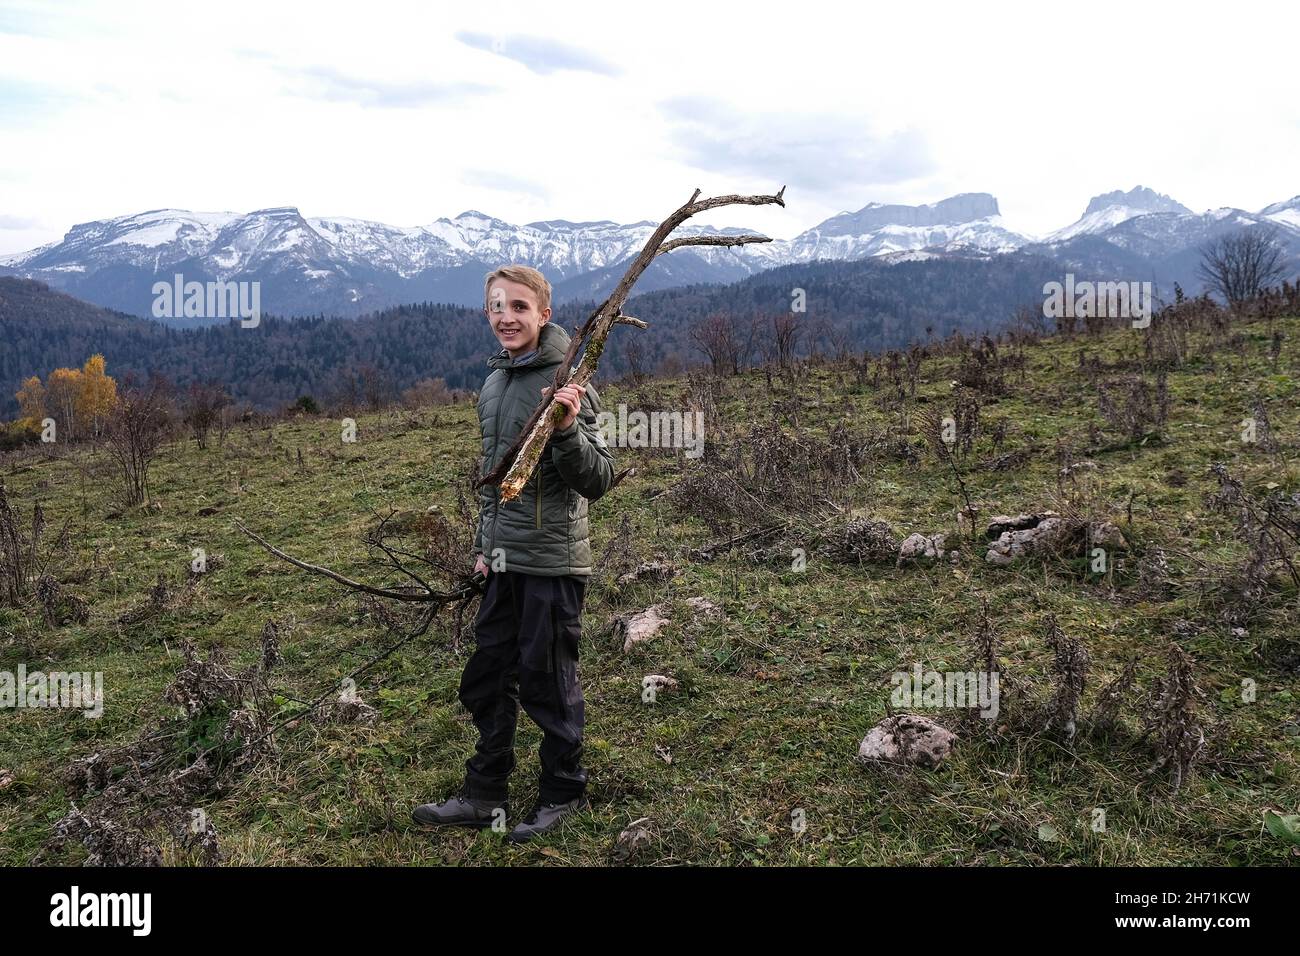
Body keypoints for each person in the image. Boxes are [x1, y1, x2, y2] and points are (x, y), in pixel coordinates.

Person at [412, 264, 614, 842]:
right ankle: (484, 793)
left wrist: (569, 429)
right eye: (497, 307)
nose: (507, 317)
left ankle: (561, 791)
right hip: (503, 564)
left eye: (520, 307)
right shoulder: (495, 384)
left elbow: (598, 479)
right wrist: (483, 547)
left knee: (547, 680)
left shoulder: (570, 383)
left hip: (551, 564)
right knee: (487, 675)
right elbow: (492, 480)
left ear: (544, 315)